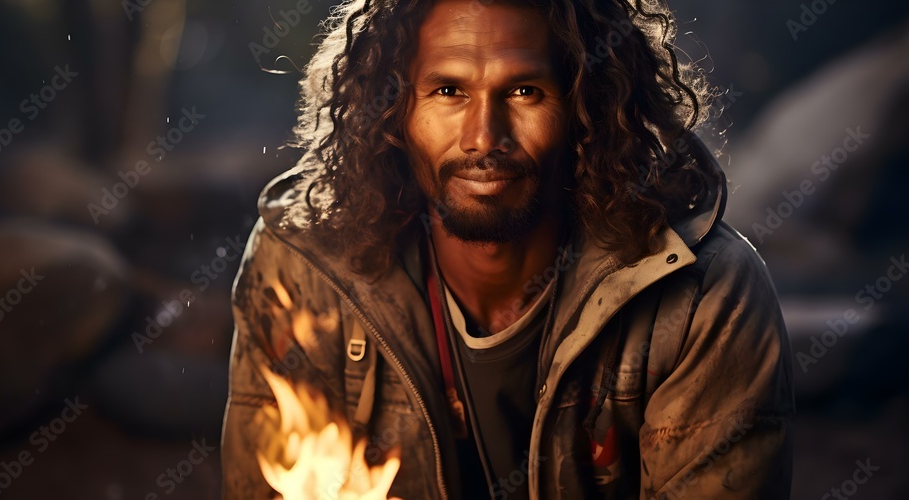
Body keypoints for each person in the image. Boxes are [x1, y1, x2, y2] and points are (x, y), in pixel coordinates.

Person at [222, 0, 794, 498]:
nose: (482, 137)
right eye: (447, 91)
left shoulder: (706, 296)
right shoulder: (300, 267)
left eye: (524, 91)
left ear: (586, 106)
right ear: (396, 110)